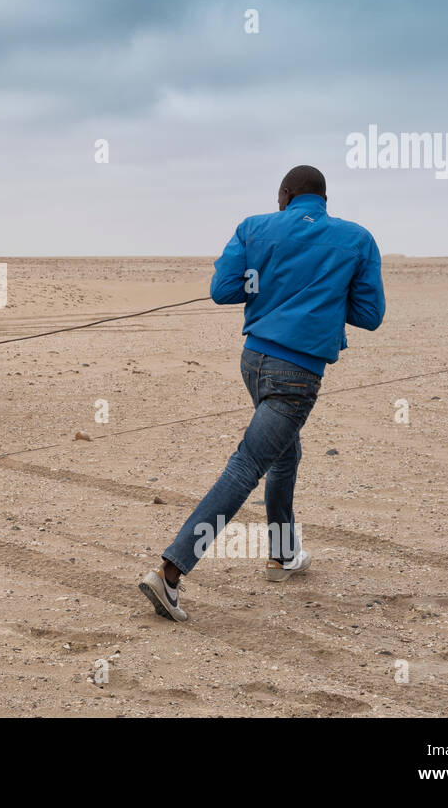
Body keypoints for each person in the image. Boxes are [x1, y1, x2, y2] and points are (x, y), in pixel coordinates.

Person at [139, 166, 385, 621]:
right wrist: (324, 294)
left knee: (284, 454)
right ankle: (170, 572)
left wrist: (277, 285)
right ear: (324, 199)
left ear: (286, 195)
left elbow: (224, 289)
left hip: (254, 363)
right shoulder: (357, 238)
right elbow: (370, 314)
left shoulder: (253, 227)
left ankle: (283, 554)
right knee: (248, 465)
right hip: (297, 375)